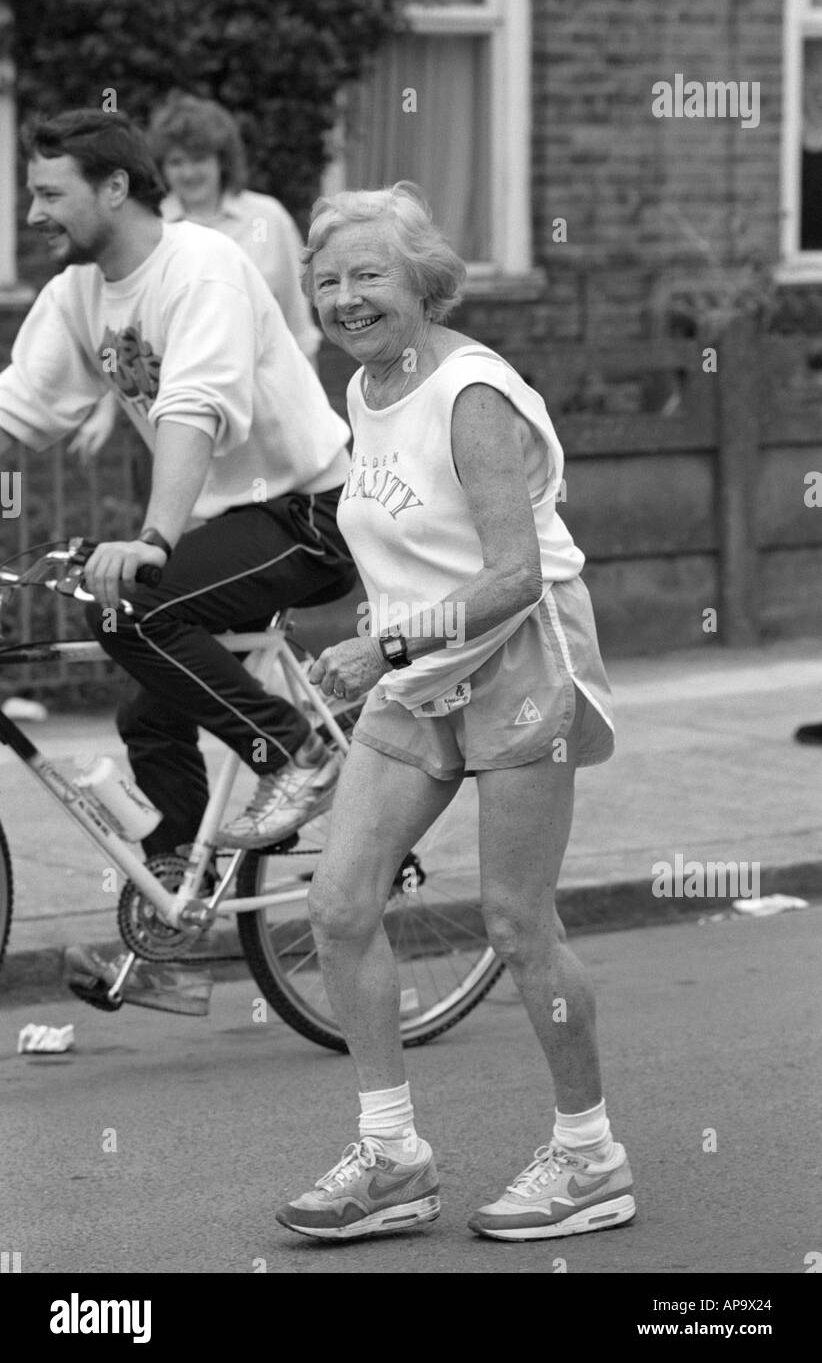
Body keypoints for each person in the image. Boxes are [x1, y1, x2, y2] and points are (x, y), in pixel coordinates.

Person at [274, 182, 635, 1244]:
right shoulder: (368, 387)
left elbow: (514, 574)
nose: (346, 298)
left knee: (519, 922)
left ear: (422, 282)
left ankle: (589, 1154)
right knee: (339, 903)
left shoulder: (470, 390)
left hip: (522, 656)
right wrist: (377, 636)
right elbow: (409, 539)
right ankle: (392, 1158)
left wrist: (383, 641)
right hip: (424, 666)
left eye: (369, 276)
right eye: (328, 281)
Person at [0, 109, 356, 1015]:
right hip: (225, 526)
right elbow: (16, 415)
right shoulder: (81, 291)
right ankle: (174, 923)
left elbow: (193, 409)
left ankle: (299, 753)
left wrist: (155, 543)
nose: (30, 211)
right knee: (148, 717)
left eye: (49, 192)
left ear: (114, 187)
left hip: (305, 512)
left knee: (130, 612)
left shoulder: (201, 269)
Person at [70, 92, 320, 461]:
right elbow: (121, 329)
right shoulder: (149, 231)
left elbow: (299, 327)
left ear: (222, 160)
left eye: (200, 159)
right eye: (176, 161)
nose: (189, 172)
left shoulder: (268, 219)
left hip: (265, 417)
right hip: (172, 420)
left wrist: (312, 412)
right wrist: (104, 410)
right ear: (161, 168)